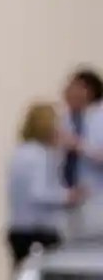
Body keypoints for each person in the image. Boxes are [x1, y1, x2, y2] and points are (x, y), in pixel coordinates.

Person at [10, 102, 85, 264]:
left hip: (19, 228)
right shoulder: (40, 154)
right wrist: (68, 196)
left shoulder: (20, 153)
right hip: (40, 230)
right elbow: (39, 193)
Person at [57, 67, 103, 237]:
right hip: (68, 200)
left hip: (96, 198)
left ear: (88, 90)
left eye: (73, 87)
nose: (66, 92)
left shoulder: (99, 117)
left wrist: (79, 146)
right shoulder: (64, 119)